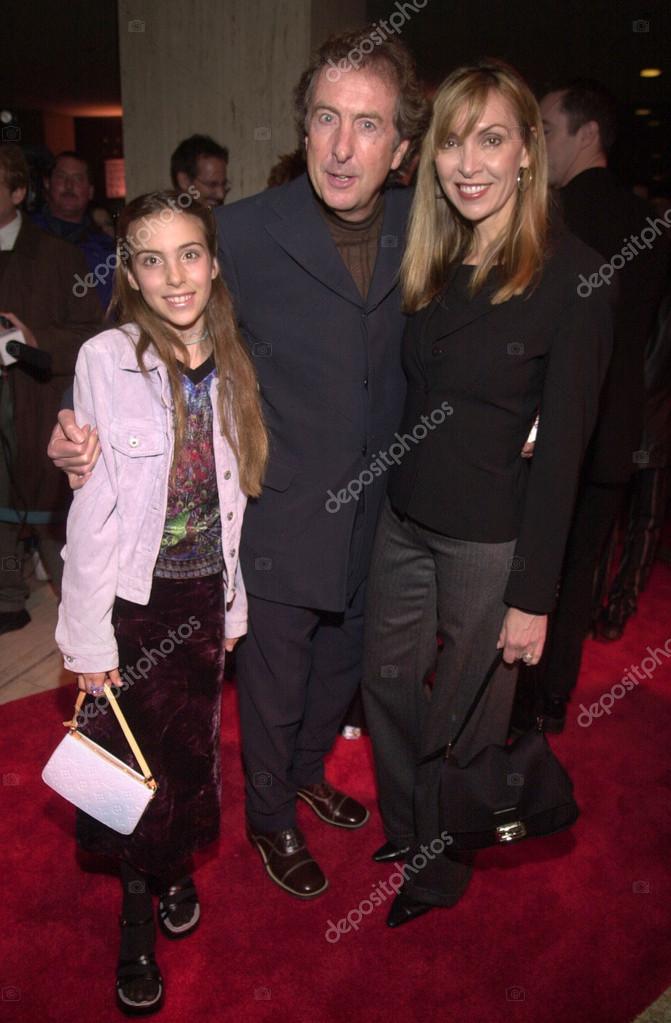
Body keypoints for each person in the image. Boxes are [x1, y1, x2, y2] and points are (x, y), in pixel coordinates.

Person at [48, 28, 429, 900]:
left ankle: (301, 775)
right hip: (277, 505)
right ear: (303, 128)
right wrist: (82, 431)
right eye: (326, 119)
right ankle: (269, 817)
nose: (341, 146)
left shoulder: (423, 228)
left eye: (367, 126)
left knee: (342, 671)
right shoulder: (246, 231)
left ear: (400, 148)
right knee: (275, 681)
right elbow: (155, 322)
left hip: (383, 510)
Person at [362, 60, 613, 928]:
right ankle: (407, 825)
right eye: (452, 142)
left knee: (463, 719)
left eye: (492, 139)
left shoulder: (573, 276)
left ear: (526, 156)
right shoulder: (431, 259)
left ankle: (443, 861)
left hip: (489, 539)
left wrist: (531, 598)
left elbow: (565, 453)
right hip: (403, 517)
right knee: (387, 683)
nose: (469, 162)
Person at [55, 191, 267, 1015]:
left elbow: (232, 503)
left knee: (187, 757)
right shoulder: (107, 356)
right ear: (131, 275)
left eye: (189, 254)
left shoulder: (237, 358)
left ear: (213, 263)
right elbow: (93, 501)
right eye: (152, 258)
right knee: (118, 766)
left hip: (204, 600)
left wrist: (232, 611)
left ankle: (172, 865)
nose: (174, 275)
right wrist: (85, 636)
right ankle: (136, 910)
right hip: (131, 600)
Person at [514, 80, 669, 730]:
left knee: (531, 565)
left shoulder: (549, 217)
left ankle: (514, 700)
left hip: (545, 430)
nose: (535, 143)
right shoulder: (651, 224)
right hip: (616, 426)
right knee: (579, 568)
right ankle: (552, 699)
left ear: (587, 135)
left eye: (545, 129)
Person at [0, 144, 101, 635]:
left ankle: (83, 610)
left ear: (17, 191)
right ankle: (6, 595)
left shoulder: (62, 256)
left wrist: (34, 340)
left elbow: (92, 334)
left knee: (49, 500)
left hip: (39, 399)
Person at [594, 289, 671, 641]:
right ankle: (610, 607)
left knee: (636, 519)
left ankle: (615, 606)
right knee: (632, 519)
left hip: (646, 420)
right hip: (638, 418)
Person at [32, 151, 116, 310]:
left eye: (78, 179)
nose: (69, 185)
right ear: (47, 183)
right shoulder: (23, 237)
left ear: (90, 191)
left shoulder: (106, 253)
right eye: (61, 177)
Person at [170, 134, 230, 207]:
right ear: (184, 181)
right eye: (212, 184)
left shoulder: (226, 216)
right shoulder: (161, 216)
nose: (221, 194)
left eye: (224, 185)